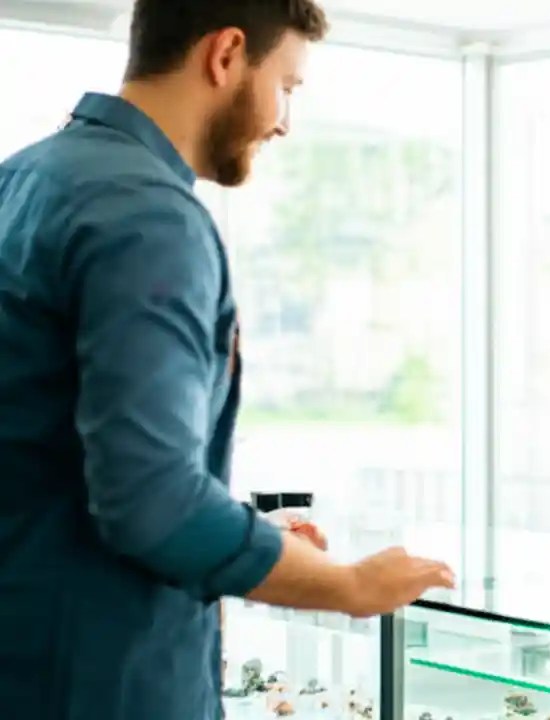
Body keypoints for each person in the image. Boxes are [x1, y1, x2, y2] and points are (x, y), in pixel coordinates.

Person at [0, 1, 454, 717]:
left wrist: (232, 525)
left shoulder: (23, 179)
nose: (284, 122)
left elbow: (53, 453)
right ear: (225, 55)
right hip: (104, 684)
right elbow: (150, 502)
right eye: (288, 86)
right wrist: (348, 587)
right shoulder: (149, 216)